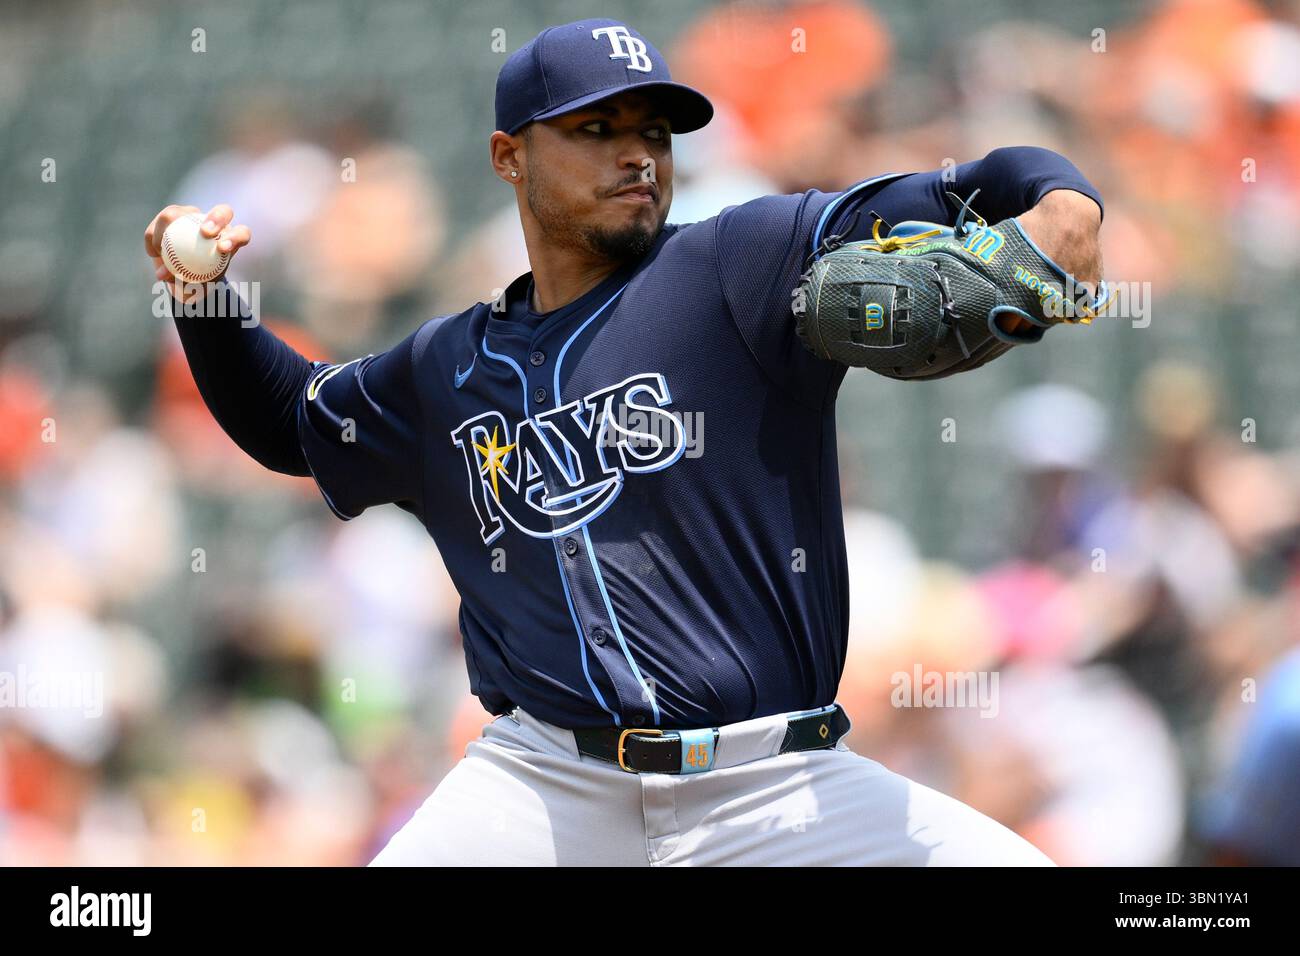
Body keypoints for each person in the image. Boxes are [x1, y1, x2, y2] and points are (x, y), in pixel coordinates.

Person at [144, 19, 1105, 866]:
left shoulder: (743, 260)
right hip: (545, 786)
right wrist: (204, 299)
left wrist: (1065, 203)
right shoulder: (442, 370)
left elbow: (973, 184)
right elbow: (291, 422)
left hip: (778, 788)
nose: (637, 155)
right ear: (508, 156)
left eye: (654, 131)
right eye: (595, 131)